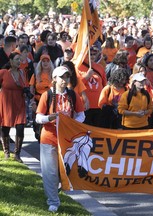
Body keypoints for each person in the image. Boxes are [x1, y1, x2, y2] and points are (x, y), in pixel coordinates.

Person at [35, 66, 85, 213]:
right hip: (49, 138)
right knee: (50, 172)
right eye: (62, 77)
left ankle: (55, 190)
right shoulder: (47, 95)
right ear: (54, 79)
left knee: (62, 171)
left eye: (67, 77)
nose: (64, 80)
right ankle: (53, 202)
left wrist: (73, 125)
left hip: (66, 140)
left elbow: (81, 114)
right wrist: (48, 118)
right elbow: (38, 117)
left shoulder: (73, 95)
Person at [0, 52, 29, 162]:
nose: (19, 62)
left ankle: (17, 154)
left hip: (19, 102)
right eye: (16, 59)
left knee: (20, 128)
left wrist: (26, 92)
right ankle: (7, 152)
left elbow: (25, 86)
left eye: (20, 60)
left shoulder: (22, 73)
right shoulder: (3, 73)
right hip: (6, 102)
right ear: (11, 61)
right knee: (5, 128)